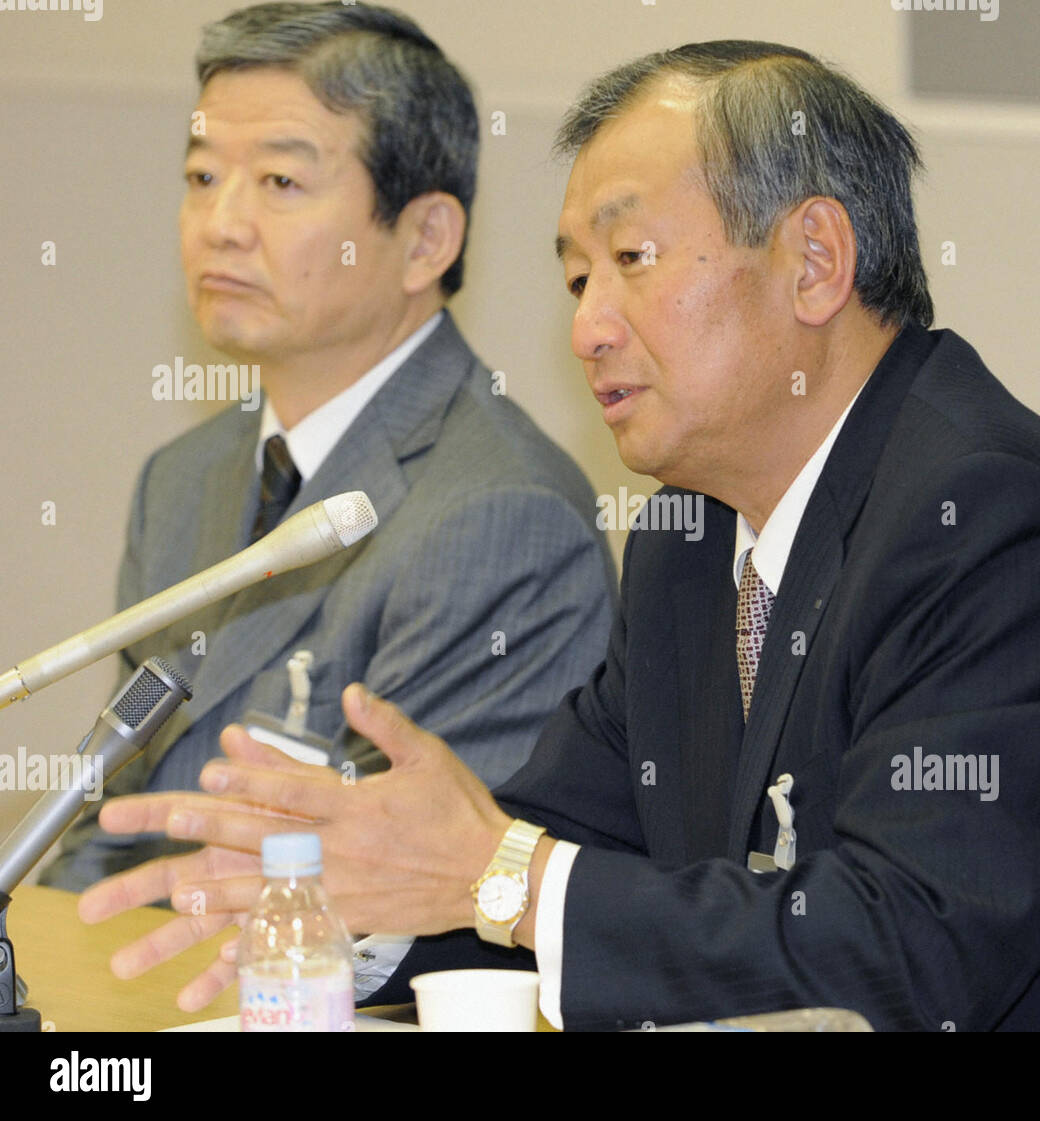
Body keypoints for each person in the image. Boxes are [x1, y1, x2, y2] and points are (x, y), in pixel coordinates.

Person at [80, 40, 1040, 1031]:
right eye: (575, 279)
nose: (588, 326)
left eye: (632, 259)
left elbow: (900, 957)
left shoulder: (989, 523)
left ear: (813, 261)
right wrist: (361, 891)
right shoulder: (687, 537)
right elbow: (564, 855)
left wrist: (503, 874)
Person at [45, 1, 614, 916]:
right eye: (201, 176)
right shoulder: (182, 478)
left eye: (280, 181)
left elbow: (411, 903)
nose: (221, 223)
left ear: (425, 240)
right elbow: (107, 817)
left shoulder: (507, 516)